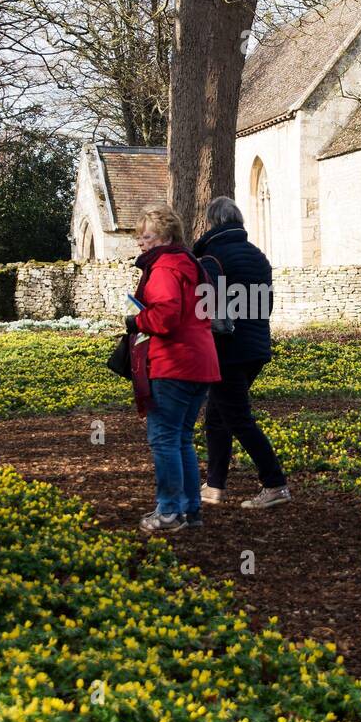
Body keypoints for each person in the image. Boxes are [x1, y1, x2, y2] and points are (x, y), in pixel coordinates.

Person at [192, 196, 291, 509]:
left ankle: (275, 484)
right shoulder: (258, 256)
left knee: (237, 418)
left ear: (212, 222)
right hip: (256, 347)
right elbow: (267, 305)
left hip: (225, 350)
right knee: (218, 415)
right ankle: (214, 485)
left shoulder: (212, 257)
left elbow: (205, 308)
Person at [127, 205, 220, 532]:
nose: (141, 242)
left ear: (165, 237)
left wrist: (136, 320)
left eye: (147, 236)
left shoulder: (165, 267)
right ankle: (190, 510)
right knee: (181, 438)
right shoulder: (191, 264)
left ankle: (168, 512)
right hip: (201, 362)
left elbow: (164, 317)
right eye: (138, 236)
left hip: (174, 363)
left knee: (164, 439)